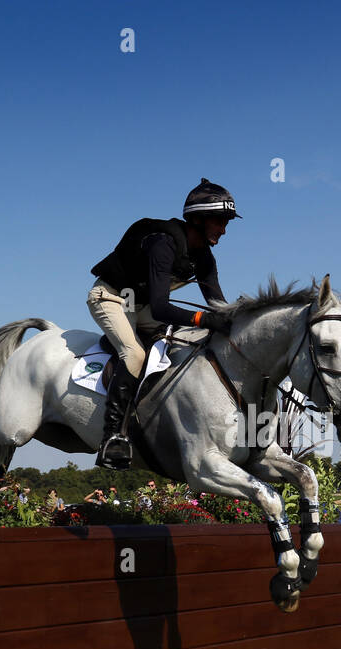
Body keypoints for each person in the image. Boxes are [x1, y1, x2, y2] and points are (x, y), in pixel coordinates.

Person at [88, 178, 239, 469]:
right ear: (197, 219)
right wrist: (203, 319)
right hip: (110, 297)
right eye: (219, 222)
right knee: (134, 354)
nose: (223, 229)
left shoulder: (204, 257)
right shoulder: (163, 244)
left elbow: (217, 305)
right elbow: (161, 308)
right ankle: (112, 438)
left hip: (139, 305)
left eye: (226, 223)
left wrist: (237, 319)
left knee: (183, 340)